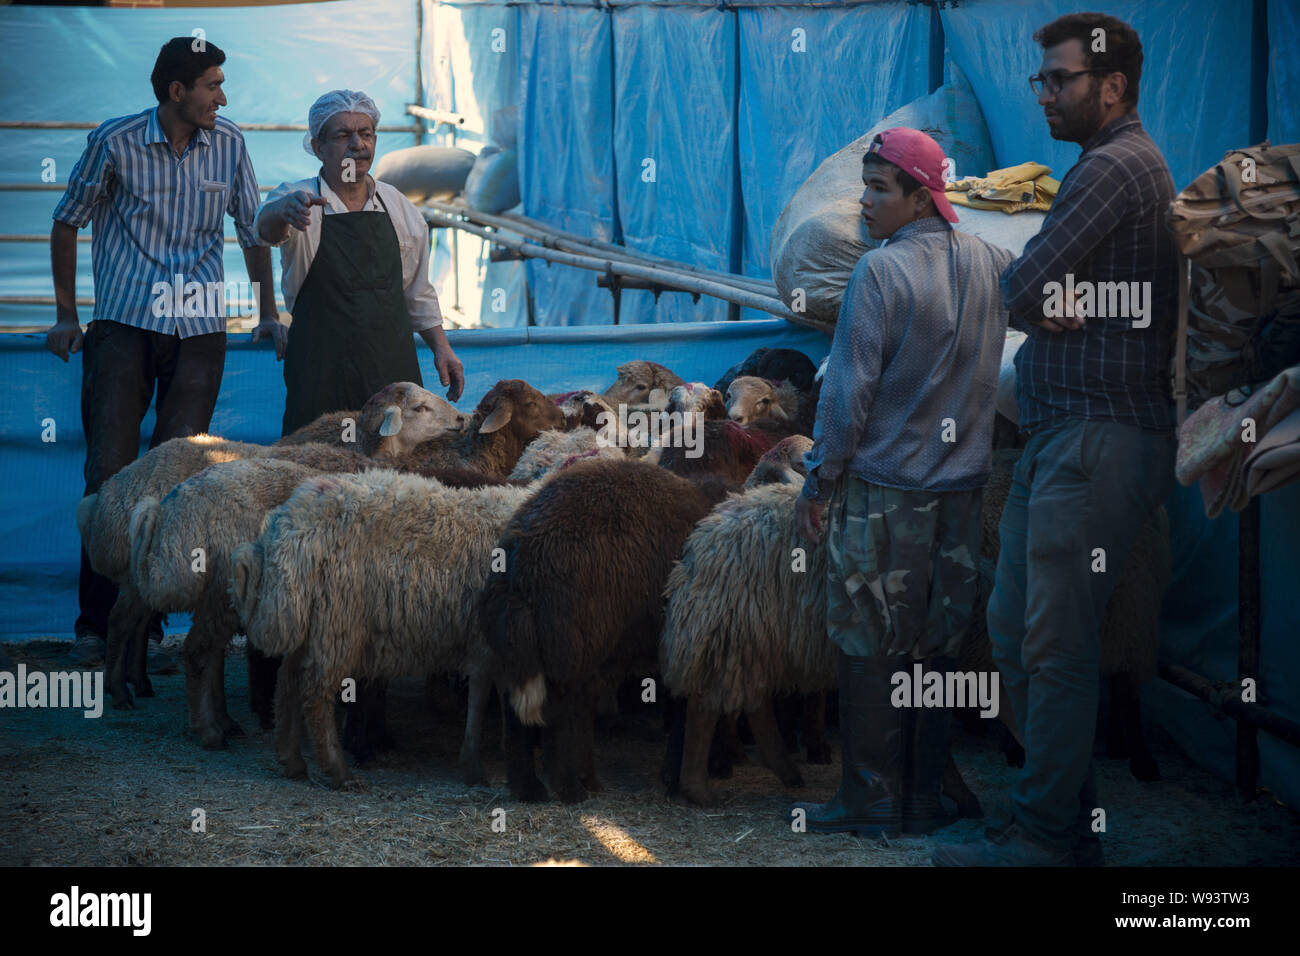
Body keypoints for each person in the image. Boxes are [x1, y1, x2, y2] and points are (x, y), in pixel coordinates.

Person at [934, 13, 1177, 867]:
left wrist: (1039, 298)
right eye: (1040, 78)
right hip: (1062, 432)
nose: (1043, 92)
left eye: (1059, 79)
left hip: (1099, 435)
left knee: (1056, 641)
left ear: (1111, 85)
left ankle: (1046, 839)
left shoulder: (1113, 169)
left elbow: (1022, 281)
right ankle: (1058, 816)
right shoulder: (1097, 170)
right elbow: (1034, 292)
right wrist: (1041, 299)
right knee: (1012, 628)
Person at [793, 128, 1014, 837]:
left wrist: (821, 481)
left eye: (880, 188)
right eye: (866, 185)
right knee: (937, 642)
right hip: (960, 496)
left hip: (885, 494)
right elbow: (1043, 292)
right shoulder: (988, 261)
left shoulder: (879, 273)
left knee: (868, 640)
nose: (863, 201)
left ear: (923, 197)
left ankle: (870, 798)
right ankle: (923, 791)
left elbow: (848, 392)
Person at [47, 37, 277, 667]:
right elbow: (67, 220)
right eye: (212, 84)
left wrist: (266, 314)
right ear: (177, 91)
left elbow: (253, 230)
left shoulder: (229, 143)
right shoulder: (114, 141)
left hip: (201, 329)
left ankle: (144, 627)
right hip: (123, 324)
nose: (221, 96)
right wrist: (67, 315)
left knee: (177, 479)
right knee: (111, 475)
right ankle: (95, 625)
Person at [254, 89, 464, 438]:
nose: (357, 144)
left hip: (390, 369)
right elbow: (265, 229)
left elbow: (417, 291)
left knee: (392, 471)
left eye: (365, 134)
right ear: (318, 146)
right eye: (342, 135)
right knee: (316, 467)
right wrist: (282, 211)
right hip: (320, 372)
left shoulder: (398, 207)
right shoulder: (298, 198)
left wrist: (442, 347)